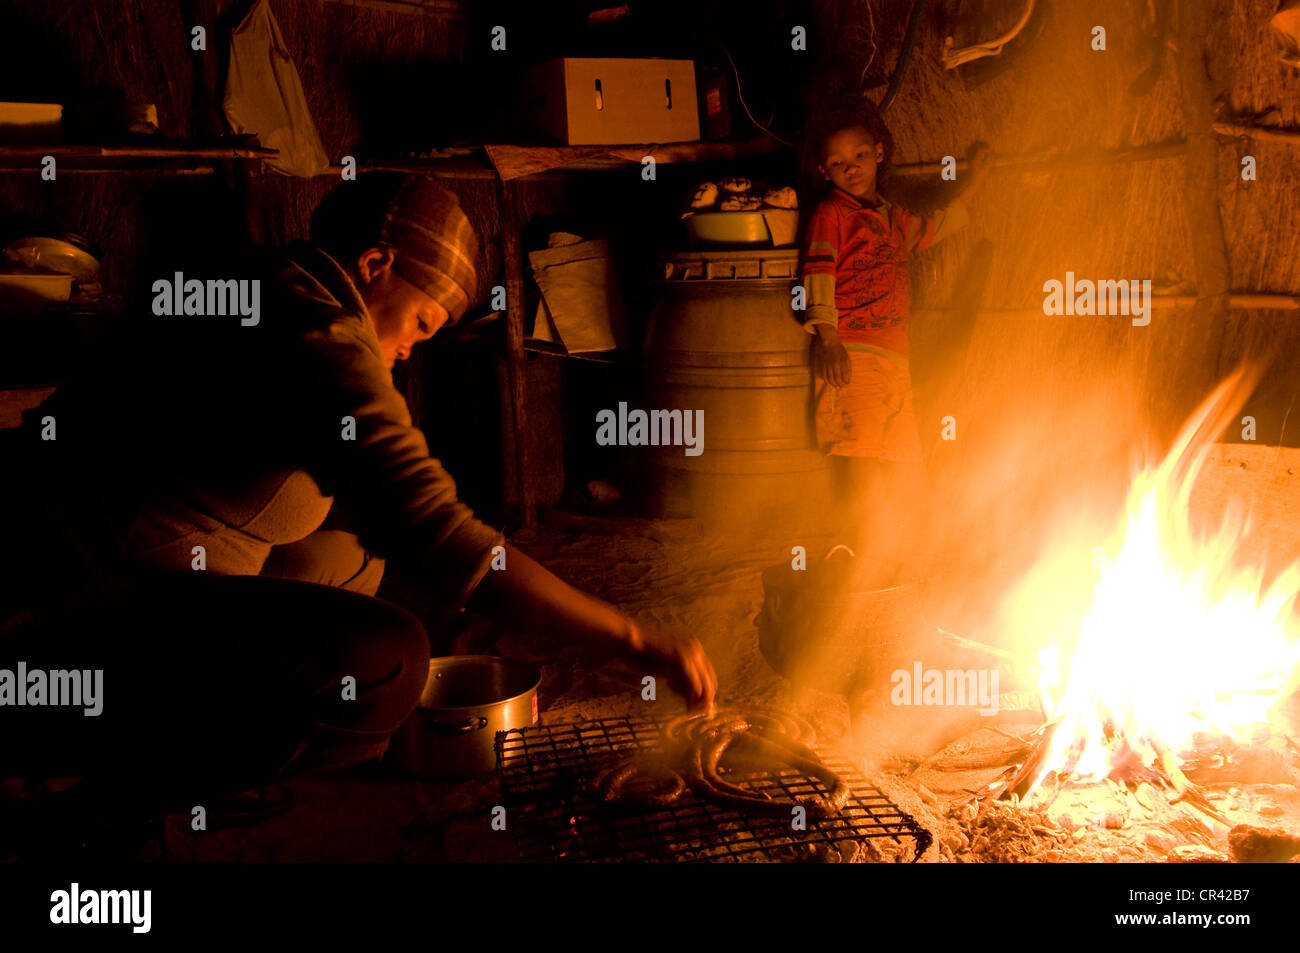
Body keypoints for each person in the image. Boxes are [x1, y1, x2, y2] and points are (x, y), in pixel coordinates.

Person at [0, 174, 715, 847]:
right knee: (382, 660)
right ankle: (83, 800)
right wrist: (631, 638)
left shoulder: (271, 283)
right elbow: (439, 533)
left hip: (111, 562)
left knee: (352, 555)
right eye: (422, 324)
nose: (407, 352)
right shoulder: (314, 334)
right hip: (57, 610)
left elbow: (385, 508)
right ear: (375, 261)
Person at [799, 104, 989, 570]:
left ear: (879, 153)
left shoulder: (891, 217)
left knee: (902, 454)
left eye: (860, 155)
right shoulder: (831, 214)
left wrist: (979, 182)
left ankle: (907, 553)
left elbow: (935, 226)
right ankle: (862, 551)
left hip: (895, 358)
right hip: (852, 352)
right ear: (825, 171)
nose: (852, 168)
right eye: (839, 163)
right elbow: (818, 272)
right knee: (861, 452)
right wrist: (829, 339)